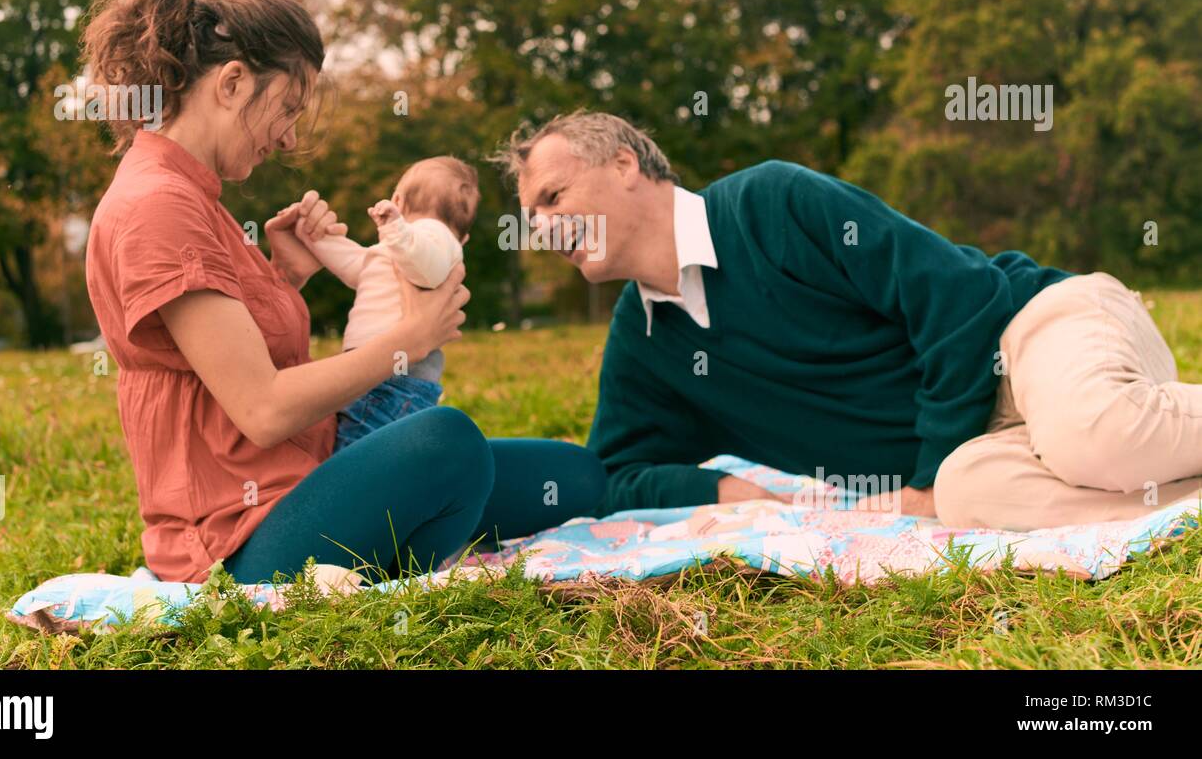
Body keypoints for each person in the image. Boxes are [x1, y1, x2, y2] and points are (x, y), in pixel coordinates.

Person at [82, 0, 605, 585]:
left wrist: (285, 278)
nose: (289, 136)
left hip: (308, 475)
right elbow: (264, 409)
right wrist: (409, 341)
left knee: (573, 476)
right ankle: (400, 566)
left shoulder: (196, 199)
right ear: (230, 83)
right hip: (239, 536)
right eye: (287, 108)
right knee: (448, 443)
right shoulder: (159, 206)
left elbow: (222, 356)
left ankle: (417, 530)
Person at [494, 109, 1202, 531]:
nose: (543, 227)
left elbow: (957, 297)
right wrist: (723, 489)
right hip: (974, 452)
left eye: (553, 197)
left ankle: (1125, 435)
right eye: (532, 219)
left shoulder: (768, 204)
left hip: (1031, 329)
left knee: (1089, 434)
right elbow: (616, 472)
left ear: (624, 164)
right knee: (967, 498)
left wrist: (921, 481)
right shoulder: (644, 341)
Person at [299, 156, 477, 447]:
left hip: (395, 381)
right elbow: (357, 265)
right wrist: (314, 239)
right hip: (376, 375)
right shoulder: (395, 249)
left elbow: (426, 269)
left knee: (357, 459)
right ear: (467, 236)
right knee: (368, 455)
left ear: (397, 200)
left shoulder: (437, 238)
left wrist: (397, 230)